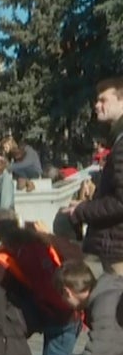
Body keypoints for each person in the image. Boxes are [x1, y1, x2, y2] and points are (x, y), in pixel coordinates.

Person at [0, 210, 81, 355]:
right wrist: (49, 235)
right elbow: (78, 255)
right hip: (70, 312)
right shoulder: (44, 239)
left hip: (48, 314)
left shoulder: (2, 257)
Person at [68, 77, 123, 276]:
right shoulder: (117, 140)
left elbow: (120, 202)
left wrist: (83, 209)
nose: (96, 105)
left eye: (103, 100)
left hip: (118, 251)